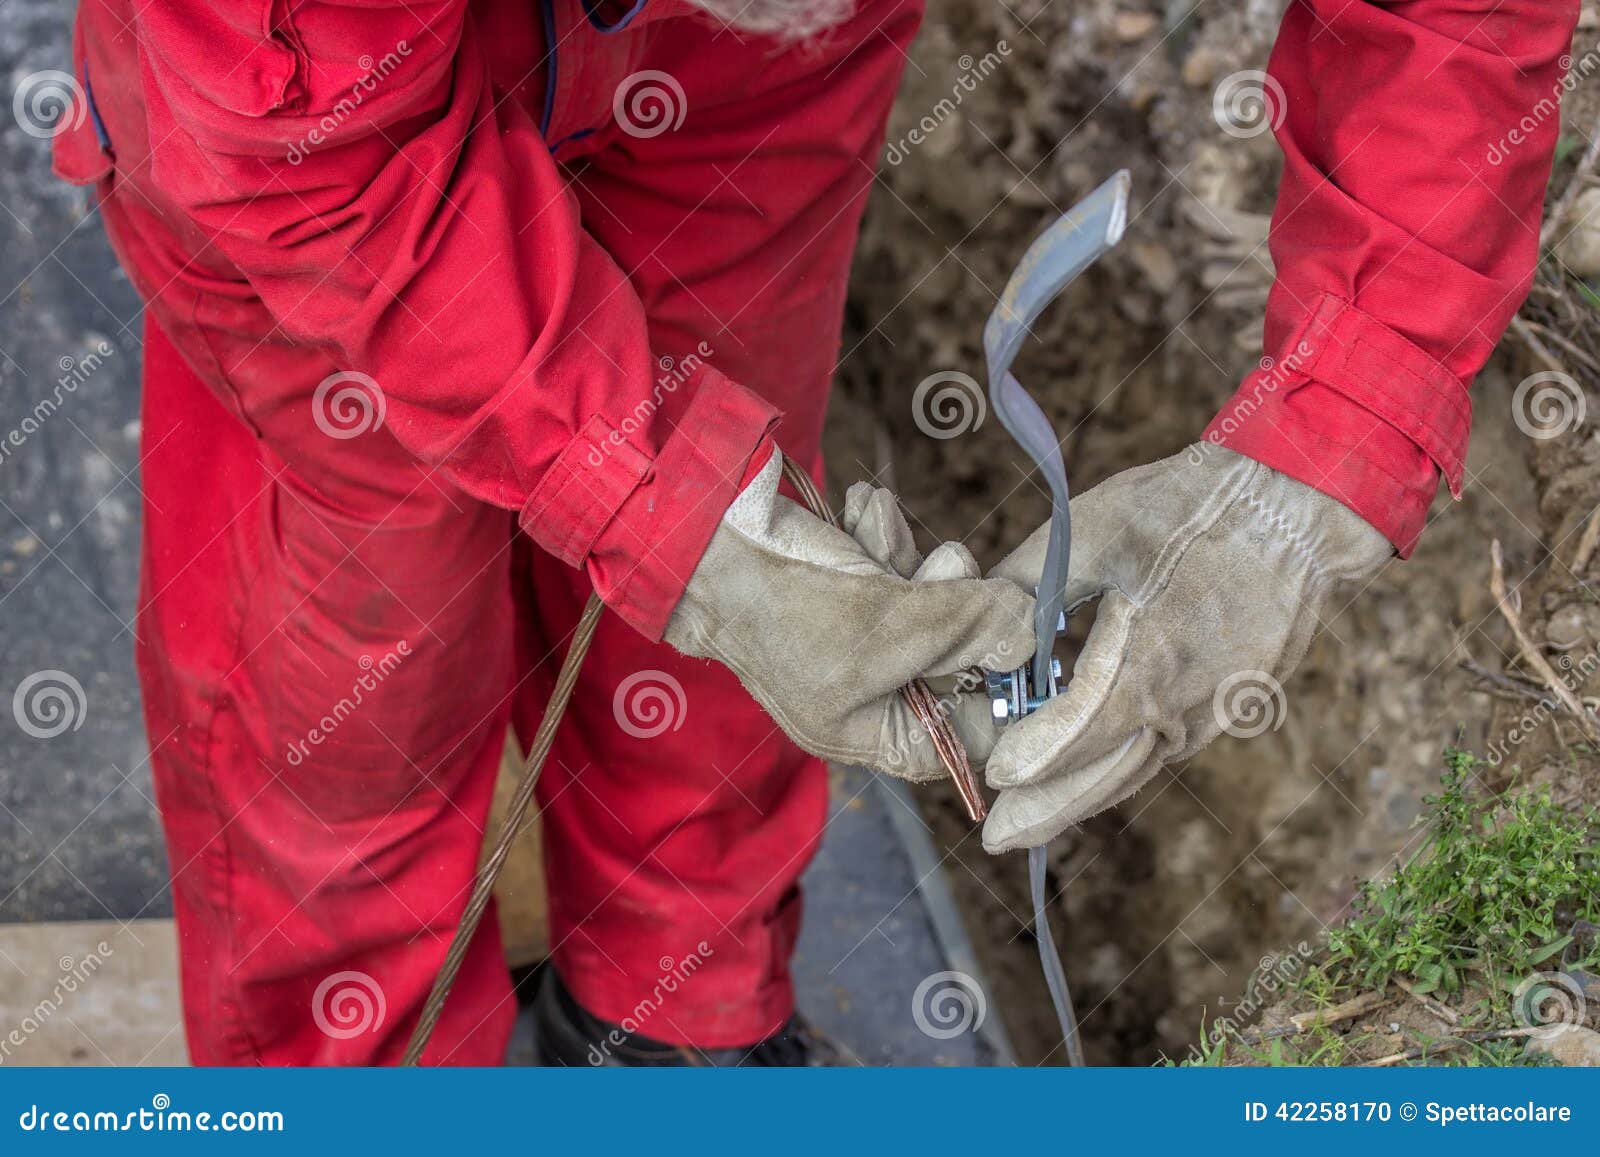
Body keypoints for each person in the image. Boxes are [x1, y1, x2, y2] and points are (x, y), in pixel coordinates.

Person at [53, 0, 1574, 1064]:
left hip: (755, 88)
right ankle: (352, 1073)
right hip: (315, 110)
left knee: (753, 524)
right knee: (357, 656)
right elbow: (293, 152)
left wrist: (1307, 470)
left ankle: (681, 1022)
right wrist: (666, 513)